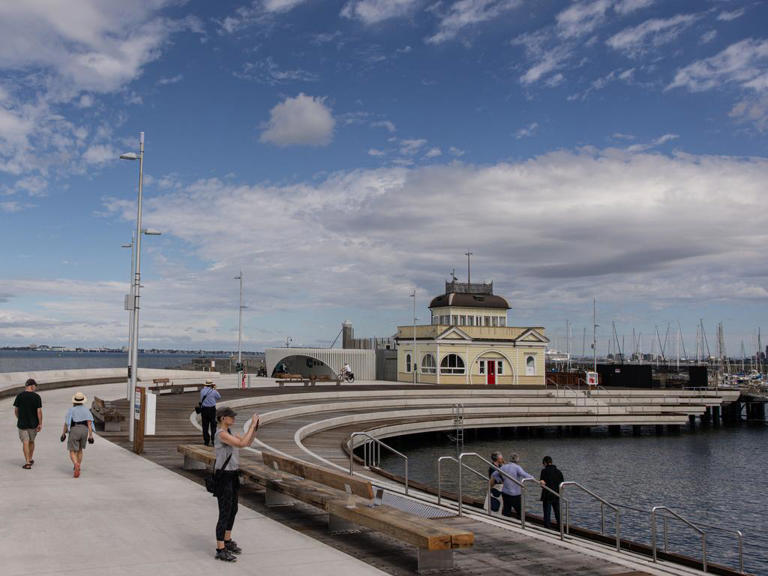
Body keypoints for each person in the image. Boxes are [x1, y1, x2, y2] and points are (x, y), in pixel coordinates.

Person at [213, 406, 259, 562]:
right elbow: (240, 444)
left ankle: (227, 540)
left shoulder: (230, 433)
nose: (233, 419)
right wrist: (251, 425)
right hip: (224, 476)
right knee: (225, 511)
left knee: (233, 509)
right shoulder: (221, 434)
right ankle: (220, 549)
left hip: (232, 475)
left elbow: (247, 442)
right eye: (230, 417)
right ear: (222, 418)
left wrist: (255, 429)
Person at [59, 392, 95, 478]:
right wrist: (90, 436)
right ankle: (78, 465)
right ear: (83, 401)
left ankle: (75, 464)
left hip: (75, 429)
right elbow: (89, 423)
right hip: (84, 430)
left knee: (72, 450)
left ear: (74, 401)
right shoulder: (87, 410)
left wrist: (63, 434)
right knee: (80, 450)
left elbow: (67, 423)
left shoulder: (71, 410)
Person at [491, 452, 534, 518]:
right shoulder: (517, 467)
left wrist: (500, 480)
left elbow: (494, 474)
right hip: (515, 494)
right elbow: (525, 475)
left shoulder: (504, 467)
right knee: (520, 511)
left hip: (505, 492)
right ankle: (522, 525)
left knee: (506, 510)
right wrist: (536, 480)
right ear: (517, 460)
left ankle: (505, 523)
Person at [13, 378, 42, 469]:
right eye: (35, 386)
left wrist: (19, 418)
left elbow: (16, 410)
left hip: (22, 424)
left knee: (25, 442)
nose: (35, 388)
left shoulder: (19, 396)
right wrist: (40, 423)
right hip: (33, 424)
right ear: (32, 386)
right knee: (31, 441)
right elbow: (39, 412)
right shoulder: (37, 397)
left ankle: (27, 462)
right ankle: (30, 458)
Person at [539, 455, 564, 529]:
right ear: (551, 462)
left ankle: (547, 527)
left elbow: (542, 483)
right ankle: (560, 527)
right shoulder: (559, 471)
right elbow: (562, 485)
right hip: (556, 494)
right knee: (557, 512)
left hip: (547, 494)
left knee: (547, 512)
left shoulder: (544, 471)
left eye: (543, 463)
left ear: (545, 463)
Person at [199, 379, 220, 446]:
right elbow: (219, 397)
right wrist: (215, 389)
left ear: (206, 384)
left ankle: (206, 441)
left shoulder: (202, 391)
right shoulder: (213, 391)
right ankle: (213, 440)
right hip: (212, 410)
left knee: (205, 426)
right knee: (213, 425)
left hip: (204, 410)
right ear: (211, 385)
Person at [484, 451, 504, 515]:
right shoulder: (492, 467)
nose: (502, 459)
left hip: (500, 487)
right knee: (494, 503)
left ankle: (498, 513)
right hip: (496, 487)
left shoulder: (501, 465)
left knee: (499, 504)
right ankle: (493, 514)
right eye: (501, 458)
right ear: (497, 459)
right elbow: (494, 479)